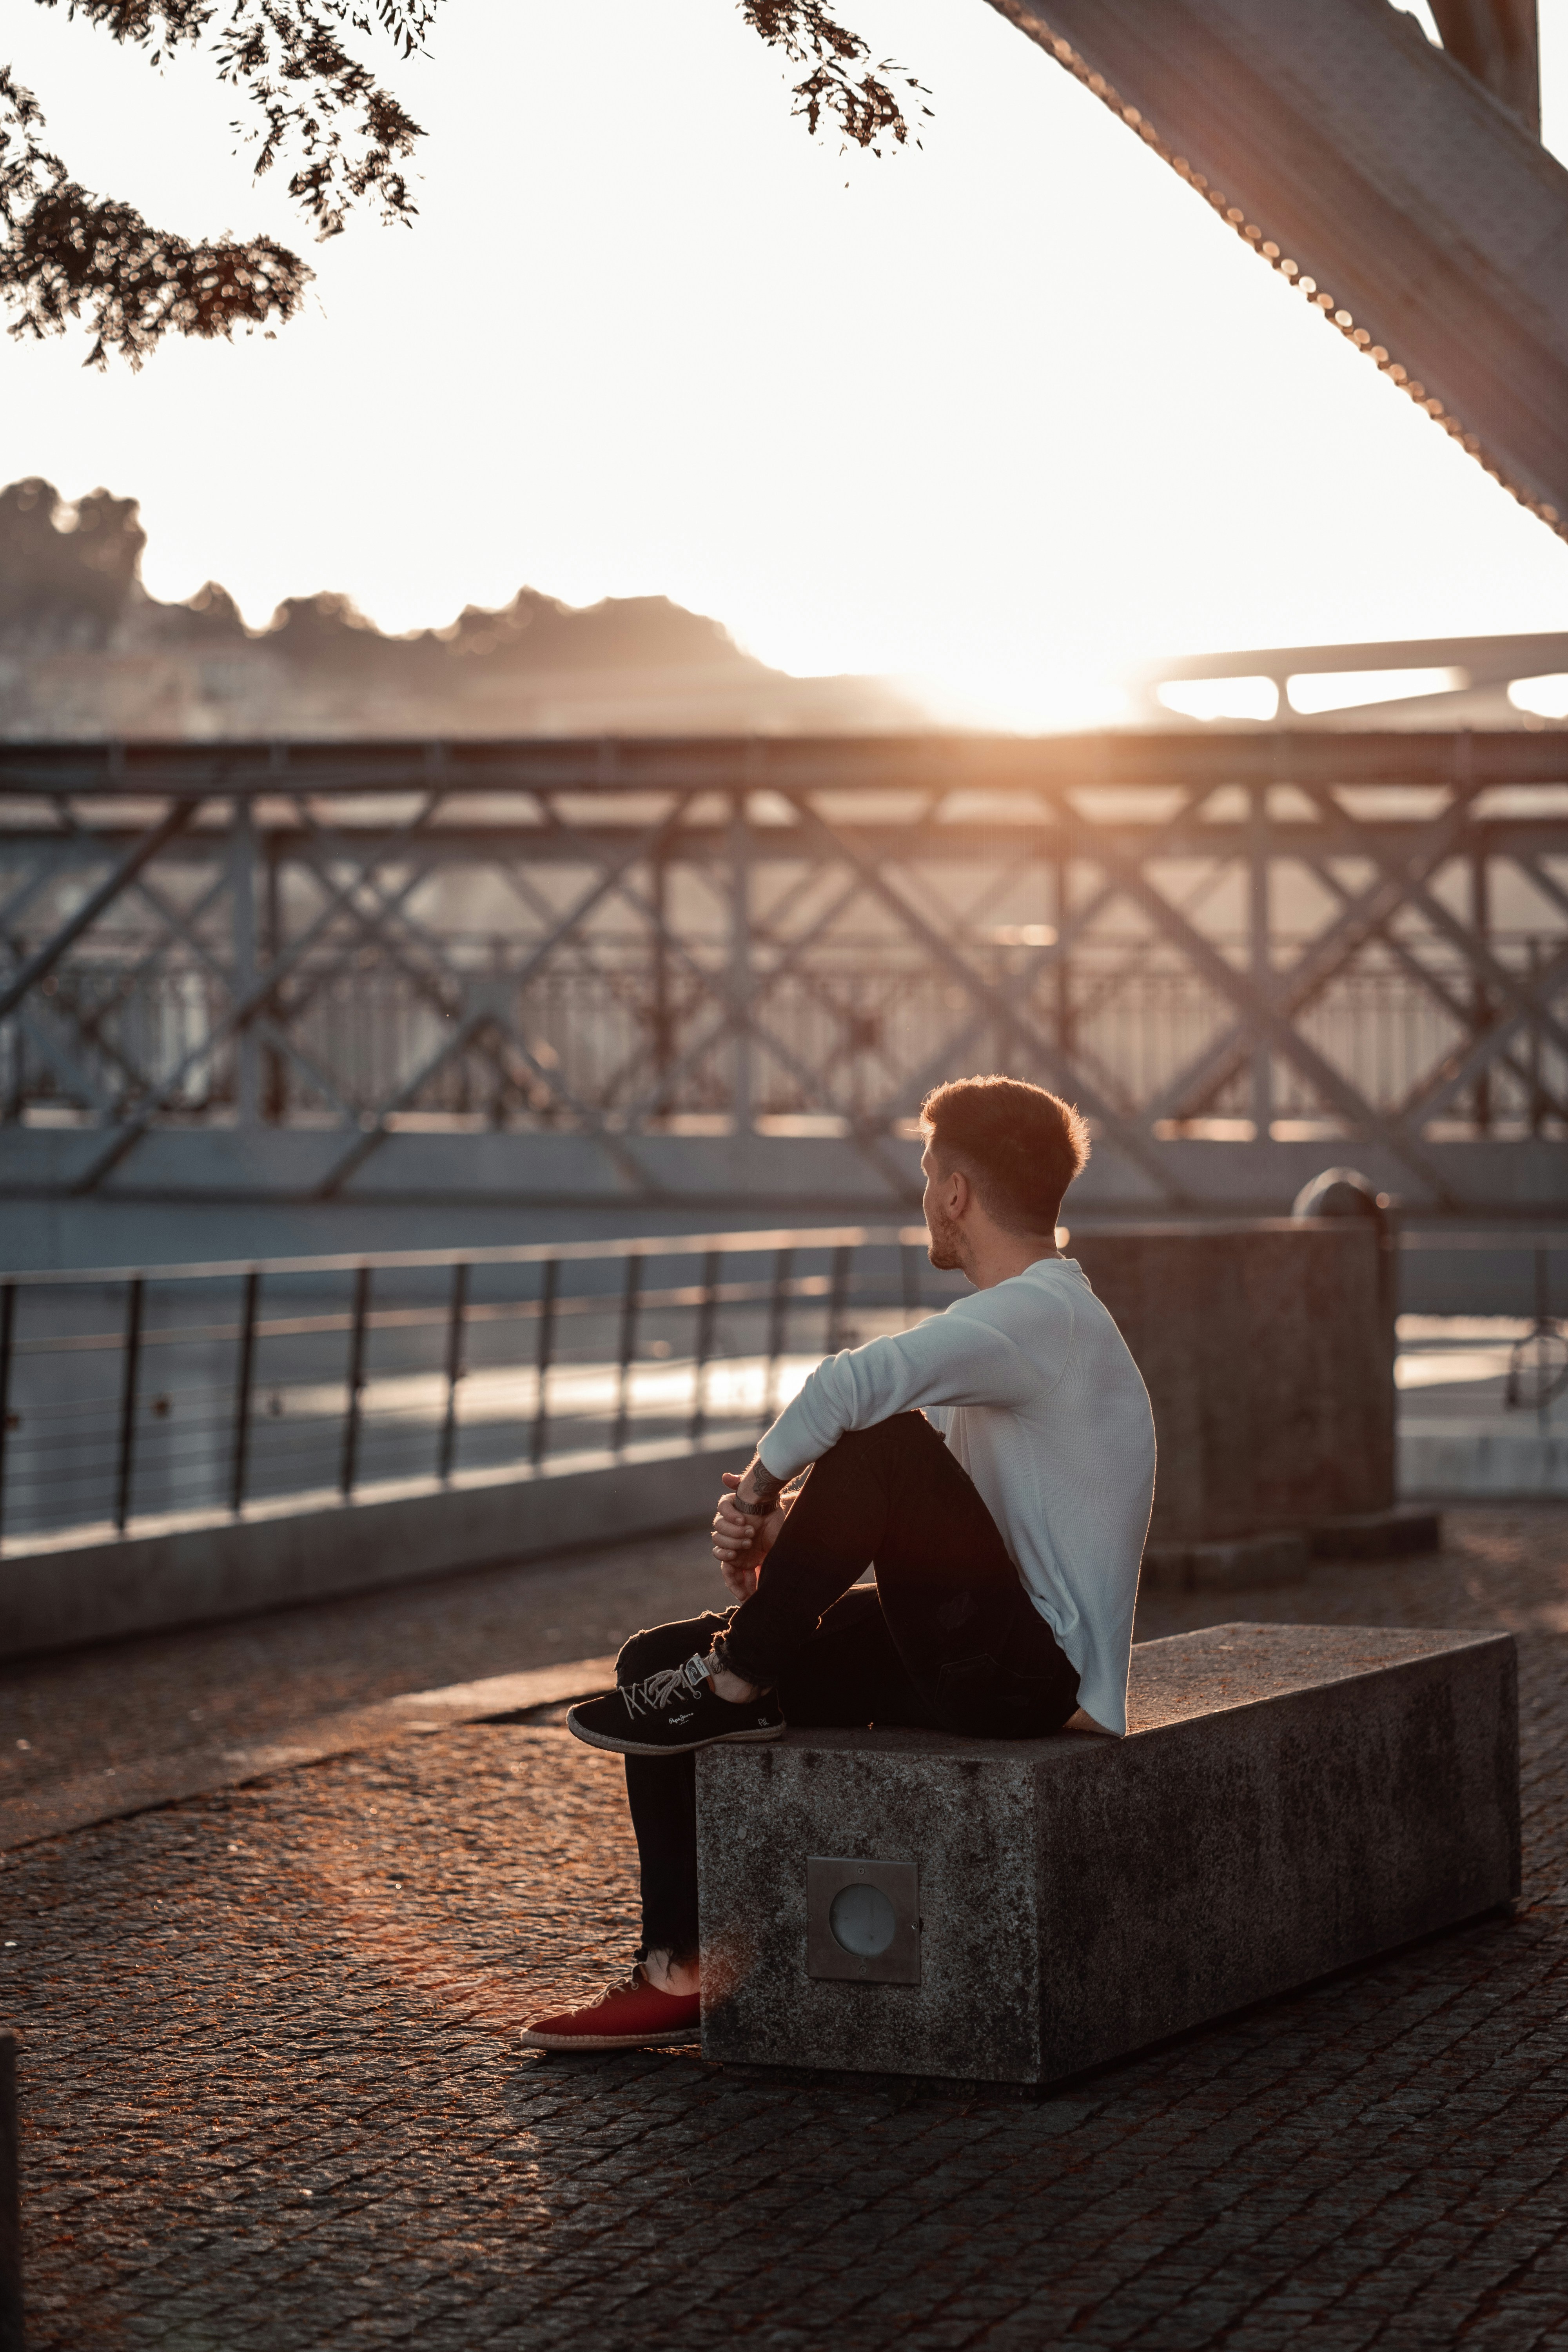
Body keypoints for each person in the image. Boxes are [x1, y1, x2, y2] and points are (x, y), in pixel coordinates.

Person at [521, 1073, 1157, 2052]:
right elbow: (956, 1534)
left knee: (878, 1437)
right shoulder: (1024, 1334)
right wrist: (788, 1554)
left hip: (1031, 1677)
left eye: (924, 1176)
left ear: (953, 1192)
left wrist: (756, 1492)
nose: (921, 1201)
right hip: (971, 1655)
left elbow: (852, 1385)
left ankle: (740, 1677)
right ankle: (671, 1977)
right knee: (653, 1666)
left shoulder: (1042, 1317)